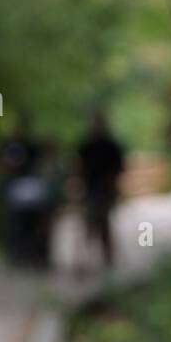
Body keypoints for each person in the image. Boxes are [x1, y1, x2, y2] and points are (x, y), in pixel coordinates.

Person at [0, 116, 51, 268]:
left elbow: (43, 167)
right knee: (17, 225)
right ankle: (19, 255)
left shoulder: (33, 147)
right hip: (17, 190)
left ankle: (36, 256)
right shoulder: (8, 146)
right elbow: (2, 167)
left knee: (34, 225)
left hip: (33, 190)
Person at [76, 111, 125, 268]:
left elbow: (119, 168)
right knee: (90, 225)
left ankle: (106, 258)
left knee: (103, 224)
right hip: (90, 190)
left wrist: (111, 182)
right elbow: (79, 168)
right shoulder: (86, 146)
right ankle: (85, 260)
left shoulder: (111, 146)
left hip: (105, 190)